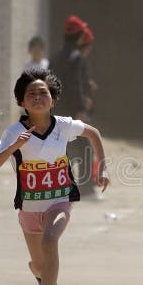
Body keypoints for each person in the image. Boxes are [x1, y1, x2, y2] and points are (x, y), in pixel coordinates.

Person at [0, 66, 109, 285]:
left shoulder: (63, 126)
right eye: (31, 93)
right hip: (29, 210)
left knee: (50, 240)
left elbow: (93, 133)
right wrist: (15, 146)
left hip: (59, 199)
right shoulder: (13, 132)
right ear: (22, 101)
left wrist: (104, 167)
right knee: (40, 264)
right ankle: (40, 273)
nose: (38, 97)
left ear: (53, 99)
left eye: (43, 92)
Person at [48, 15, 95, 193]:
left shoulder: (55, 57)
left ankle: (60, 185)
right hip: (73, 111)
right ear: (79, 36)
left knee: (62, 149)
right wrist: (81, 108)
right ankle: (87, 188)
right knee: (84, 147)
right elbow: (75, 86)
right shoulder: (77, 58)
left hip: (57, 110)